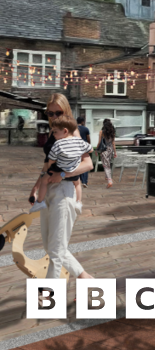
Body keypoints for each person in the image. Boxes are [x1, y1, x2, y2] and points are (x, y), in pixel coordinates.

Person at [29, 93, 95, 282]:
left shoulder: (73, 132)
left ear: (66, 110)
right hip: (48, 189)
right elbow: (46, 165)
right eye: (50, 113)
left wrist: (64, 174)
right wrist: (34, 187)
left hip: (64, 191)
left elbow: (88, 164)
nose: (54, 117)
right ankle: (85, 277)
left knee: (56, 250)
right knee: (51, 246)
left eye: (58, 112)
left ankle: (49, 293)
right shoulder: (54, 132)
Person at [31, 116, 87, 210]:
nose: (54, 134)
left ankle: (40, 202)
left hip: (58, 170)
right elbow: (89, 150)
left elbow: (51, 159)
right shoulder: (78, 141)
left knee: (44, 181)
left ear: (65, 131)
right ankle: (78, 202)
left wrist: (50, 166)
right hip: (73, 169)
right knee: (77, 184)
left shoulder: (58, 143)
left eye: (55, 132)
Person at [97, 119, 117, 188]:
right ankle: (107, 176)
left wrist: (96, 150)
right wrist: (115, 152)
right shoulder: (112, 132)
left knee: (106, 165)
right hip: (110, 150)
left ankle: (109, 181)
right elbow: (113, 143)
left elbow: (99, 142)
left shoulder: (101, 132)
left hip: (104, 150)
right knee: (108, 164)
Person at [75, 116, 92, 188]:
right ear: (82, 122)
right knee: (85, 164)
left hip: (76, 148)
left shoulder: (74, 129)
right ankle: (84, 181)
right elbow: (88, 139)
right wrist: (88, 146)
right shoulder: (86, 129)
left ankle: (77, 179)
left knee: (77, 163)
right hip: (84, 148)